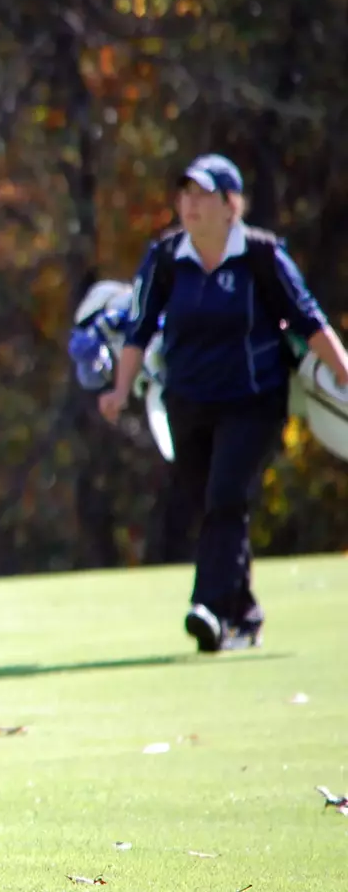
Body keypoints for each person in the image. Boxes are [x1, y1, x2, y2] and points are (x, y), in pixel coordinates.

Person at [99, 153, 348, 652]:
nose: (189, 205)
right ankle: (243, 616)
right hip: (188, 402)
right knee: (209, 505)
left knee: (226, 496)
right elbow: (140, 327)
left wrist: (344, 371)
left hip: (253, 400)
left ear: (231, 206)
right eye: (185, 194)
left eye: (203, 195)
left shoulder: (261, 256)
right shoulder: (167, 259)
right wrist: (120, 389)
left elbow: (307, 320)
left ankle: (208, 607)